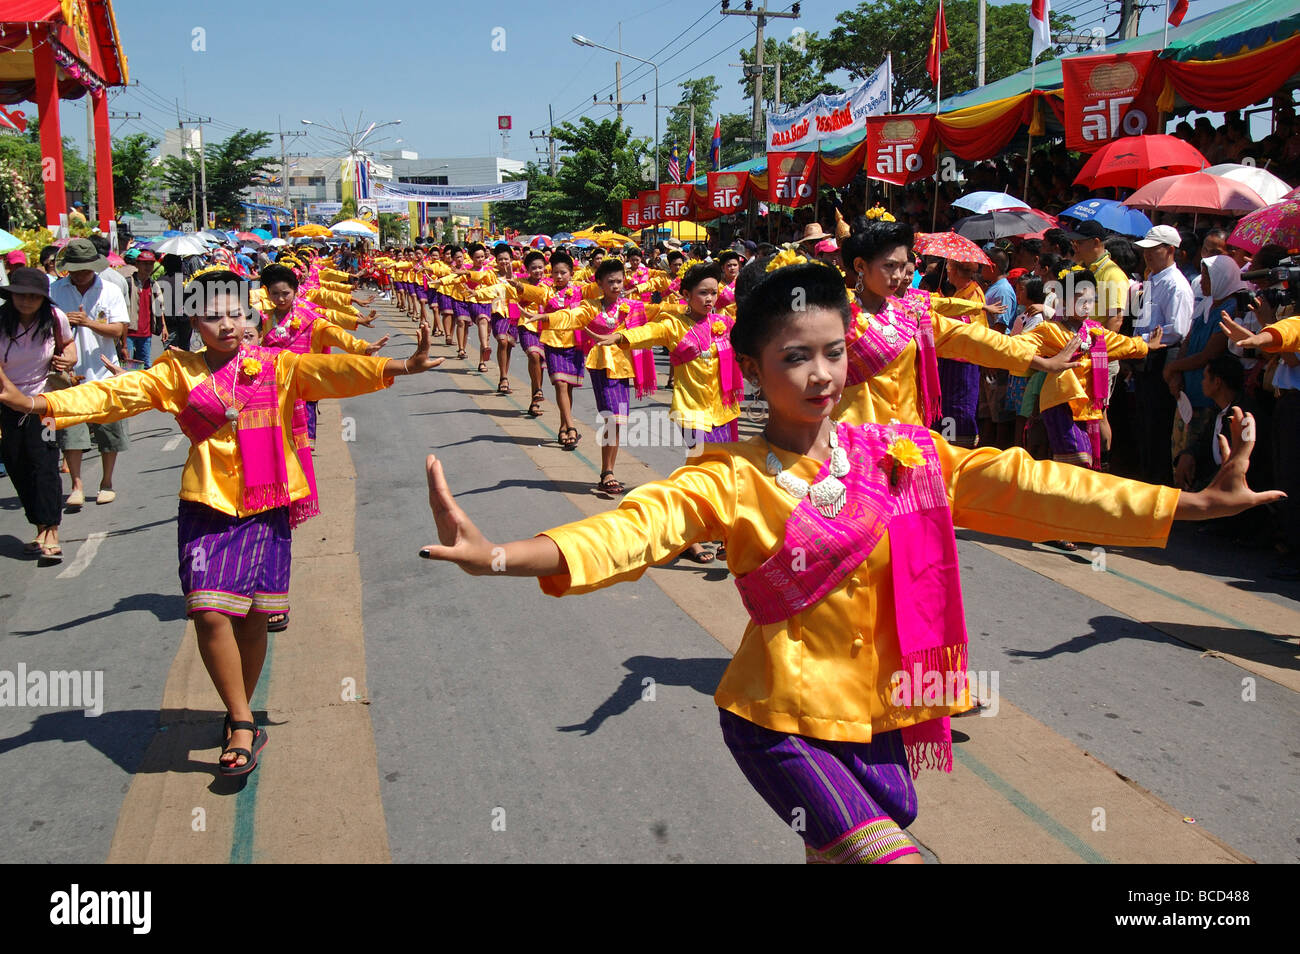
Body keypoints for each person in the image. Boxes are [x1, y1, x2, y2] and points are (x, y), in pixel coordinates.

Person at [418, 259, 1278, 864]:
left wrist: (1187, 504)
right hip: (778, 722)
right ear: (752, 368)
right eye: (795, 355)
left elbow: (1028, 486)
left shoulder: (902, 452)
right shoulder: (730, 476)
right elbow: (631, 530)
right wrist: (502, 555)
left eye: (833, 351)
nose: (821, 372)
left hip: (887, 714)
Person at [0, 271, 444, 775]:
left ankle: (241, 711)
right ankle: (240, 720)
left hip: (266, 502)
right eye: (213, 316)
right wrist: (36, 401)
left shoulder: (278, 365)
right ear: (195, 321)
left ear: (251, 318)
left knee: (254, 618)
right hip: (206, 504)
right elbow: (116, 394)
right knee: (209, 612)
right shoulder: (178, 372)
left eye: (236, 314)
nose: (228, 325)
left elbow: (331, 371)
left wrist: (401, 365)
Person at [0, 267, 77, 561]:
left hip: (43, 402)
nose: (27, 301)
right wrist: (11, 395)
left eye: (34, 296)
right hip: (7, 403)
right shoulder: (1, 321)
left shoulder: (55, 319)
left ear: (43, 299)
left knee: (44, 461)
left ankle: (52, 531)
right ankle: (40, 526)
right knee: (17, 467)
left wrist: (67, 357)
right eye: (21, 295)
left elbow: (69, 347)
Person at [49, 238, 130, 507]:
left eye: (85, 269)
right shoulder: (55, 290)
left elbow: (118, 330)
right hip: (69, 375)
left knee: (109, 432)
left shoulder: (110, 290)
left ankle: (107, 482)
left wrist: (88, 322)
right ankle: (77, 485)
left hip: (102, 371)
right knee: (72, 433)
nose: (81, 274)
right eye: (76, 269)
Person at [1130, 226, 1194, 485]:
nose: (1146, 255)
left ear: (1170, 250)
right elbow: (1144, 321)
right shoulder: (1153, 281)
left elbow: (1177, 329)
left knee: (1158, 427)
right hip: (1145, 359)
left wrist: (1140, 341)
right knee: (1146, 428)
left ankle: (1160, 485)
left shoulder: (1176, 285)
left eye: (1152, 249)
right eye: (1145, 250)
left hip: (1161, 361)